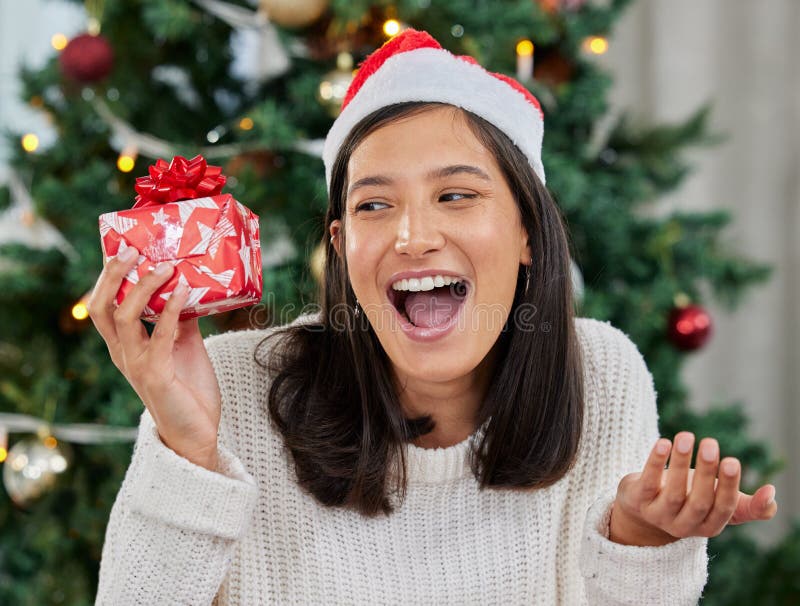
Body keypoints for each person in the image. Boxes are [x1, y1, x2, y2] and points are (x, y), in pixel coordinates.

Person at [90, 29, 777, 605]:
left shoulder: (600, 376)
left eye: (455, 195)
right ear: (340, 248)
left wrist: (639, 548)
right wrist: (190, 455)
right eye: (374, 205)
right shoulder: (230, 386)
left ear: (528, 234)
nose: (412, 236)